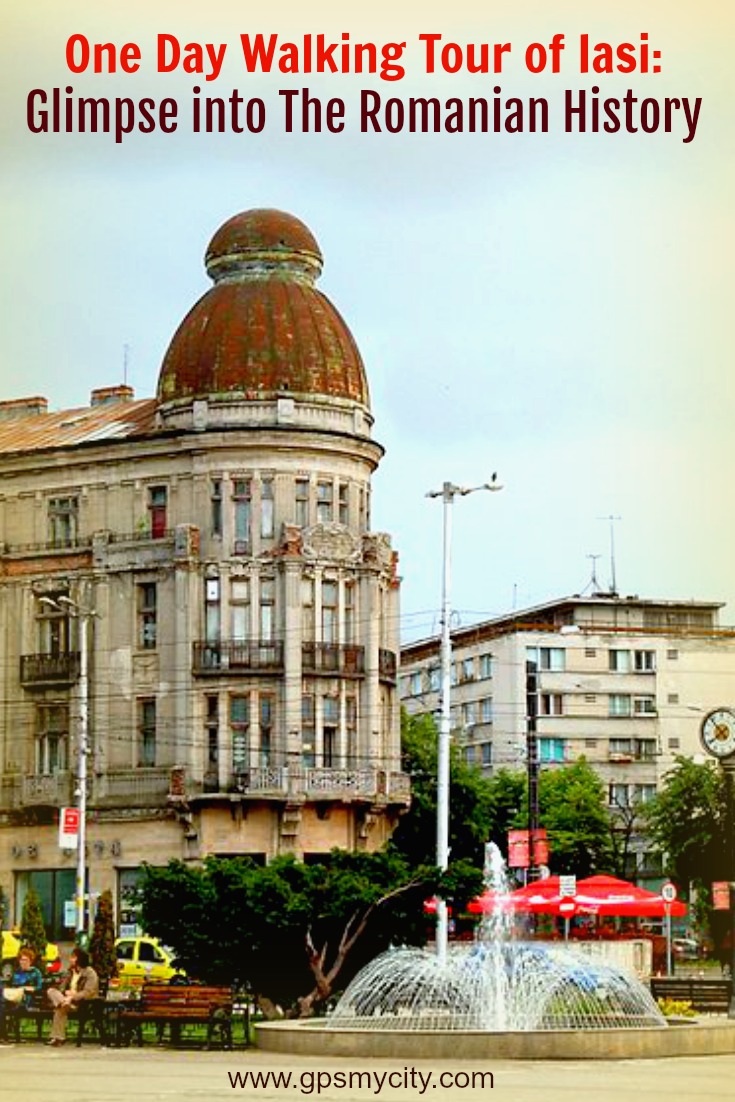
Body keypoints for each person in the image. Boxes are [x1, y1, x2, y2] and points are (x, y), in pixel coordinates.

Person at [46, 947, 99, 1046]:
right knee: (51, 991)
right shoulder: (70, 971)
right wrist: (66, 992)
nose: (70, 959)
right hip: (66, 1001)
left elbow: (89, 992)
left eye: (73, 957)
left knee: (59, 1009)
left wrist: (73, 996)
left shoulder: (90, 973)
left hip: (80, 1004)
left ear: (80, 959)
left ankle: (58, 1038)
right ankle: (64, 1003)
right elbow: (62, 988)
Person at [0, 946, 44, 1044]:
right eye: (21, 960)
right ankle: (3, 1036)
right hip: (13, 998)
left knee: (5, 1006)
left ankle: (3, 1036)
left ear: (30, 961)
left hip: (27, 1000)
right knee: (1, 1007)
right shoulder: (16, 972)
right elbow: (10, 985)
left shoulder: (35, 972)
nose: (23, 962)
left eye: (25, 960)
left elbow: (39, 987)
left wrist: (27, 988)